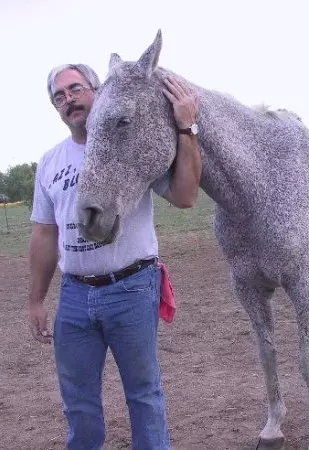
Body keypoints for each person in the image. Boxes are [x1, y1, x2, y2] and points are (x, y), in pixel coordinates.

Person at [28, 63, 202, 449]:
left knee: (144, 394)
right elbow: (44, 233)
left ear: (97, 90)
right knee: (78, 402)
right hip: (73, 295)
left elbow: (186, 196)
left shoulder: (132, 141)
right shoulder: (50, 162)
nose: (68, 100)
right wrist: (37, 299)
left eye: (75, 89)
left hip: (132, 288)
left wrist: (187, 130)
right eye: (59, 96)